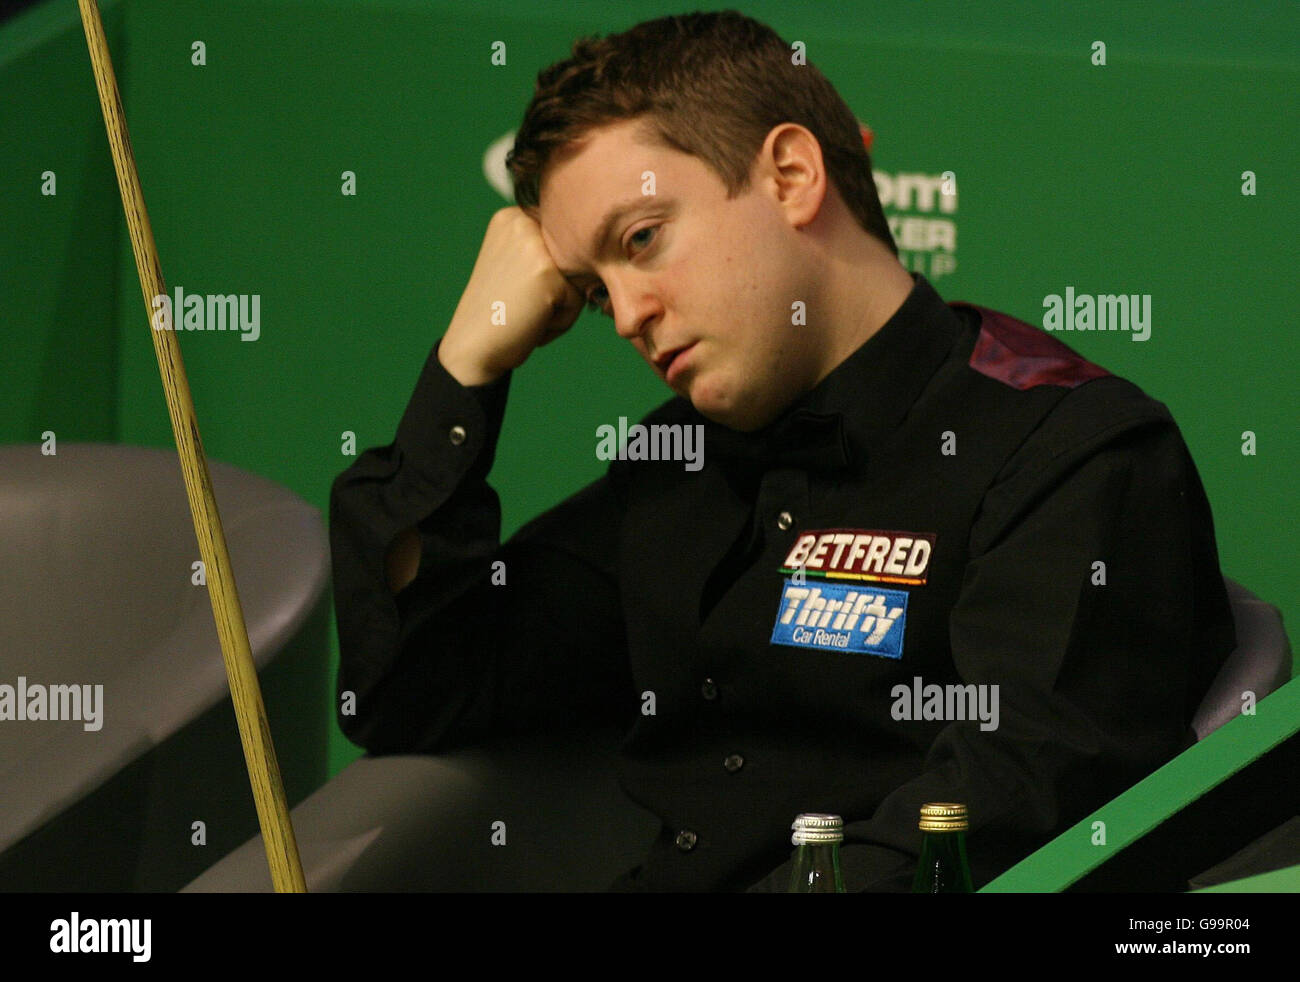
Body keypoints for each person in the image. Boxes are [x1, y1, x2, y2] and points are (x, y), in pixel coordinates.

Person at [329, 11, 1235, 891]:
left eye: (642, 241)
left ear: (793, 175)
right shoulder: (676, 466)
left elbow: (1003, 817)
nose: (629, 314)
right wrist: (466, 368)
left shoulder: (1073, 449)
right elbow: (413, 692)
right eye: (596, 290)